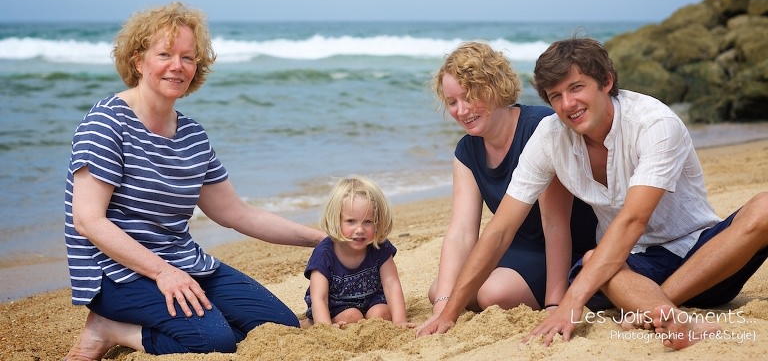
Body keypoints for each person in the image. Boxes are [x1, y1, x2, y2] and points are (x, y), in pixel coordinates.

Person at [416, 37, 768, 350]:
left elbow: (633, 219)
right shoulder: (550, 136)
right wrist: (448, 312)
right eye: (556, 96)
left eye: (576, 88)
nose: (568, 104)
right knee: (594, 264)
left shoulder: (654, 123)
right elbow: (501, 228)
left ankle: (654, 311)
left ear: (606, 82)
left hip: (709, 257)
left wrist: (569, 304)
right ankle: (669, 316)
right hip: (632, 273)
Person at [63, 2, 326, 359]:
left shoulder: (192, 135)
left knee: (279, 329)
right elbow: (88, 220)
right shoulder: (106, 124)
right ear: (138, 61)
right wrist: (162, 273)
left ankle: (180, 320)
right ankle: (108, 328)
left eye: (188, 57)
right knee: (213, 342)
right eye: (165, 54)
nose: (177, 66)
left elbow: (237, 214)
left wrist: (321, 241)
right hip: (114, 273)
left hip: (182, 262)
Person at [421, 42, 597, 331]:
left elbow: (556, 224)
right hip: (514, 245)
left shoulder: (540, 128)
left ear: (494, 87)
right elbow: (461, 232)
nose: (462, 110)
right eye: (452, 102)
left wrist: (555, 303)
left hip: (568, 247)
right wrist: (442, 309)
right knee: (439, 289)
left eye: (469, 97)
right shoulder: (467, 151)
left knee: (493, 294)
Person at [303, 176, 413, 328]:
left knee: (382, 314)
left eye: (368, 222)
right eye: (350, 221)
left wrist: (400, 321)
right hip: (335, 305)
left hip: (372, 299)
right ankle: (310, 323)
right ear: (336, 220)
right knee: (352, 316)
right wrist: (326, 327)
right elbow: (319, 297)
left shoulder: (379, 247)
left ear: (378, 222)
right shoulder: (324, 253)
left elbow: (391, 284)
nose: (360, 230)